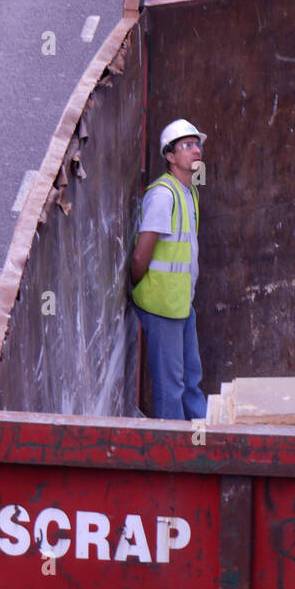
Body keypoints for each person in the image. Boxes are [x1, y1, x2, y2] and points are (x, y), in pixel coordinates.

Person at [130, 118, 207, 422]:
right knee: (170, 388)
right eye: (186, 146)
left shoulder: (189, 193)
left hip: (181, 305)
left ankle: (200, 441)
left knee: (191, 379)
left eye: (197, 144)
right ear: (170, 156)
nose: (196, 149)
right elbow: (140, 257)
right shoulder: (164, 195)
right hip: (162, 307)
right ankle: (172, 454)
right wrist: (141, 292)